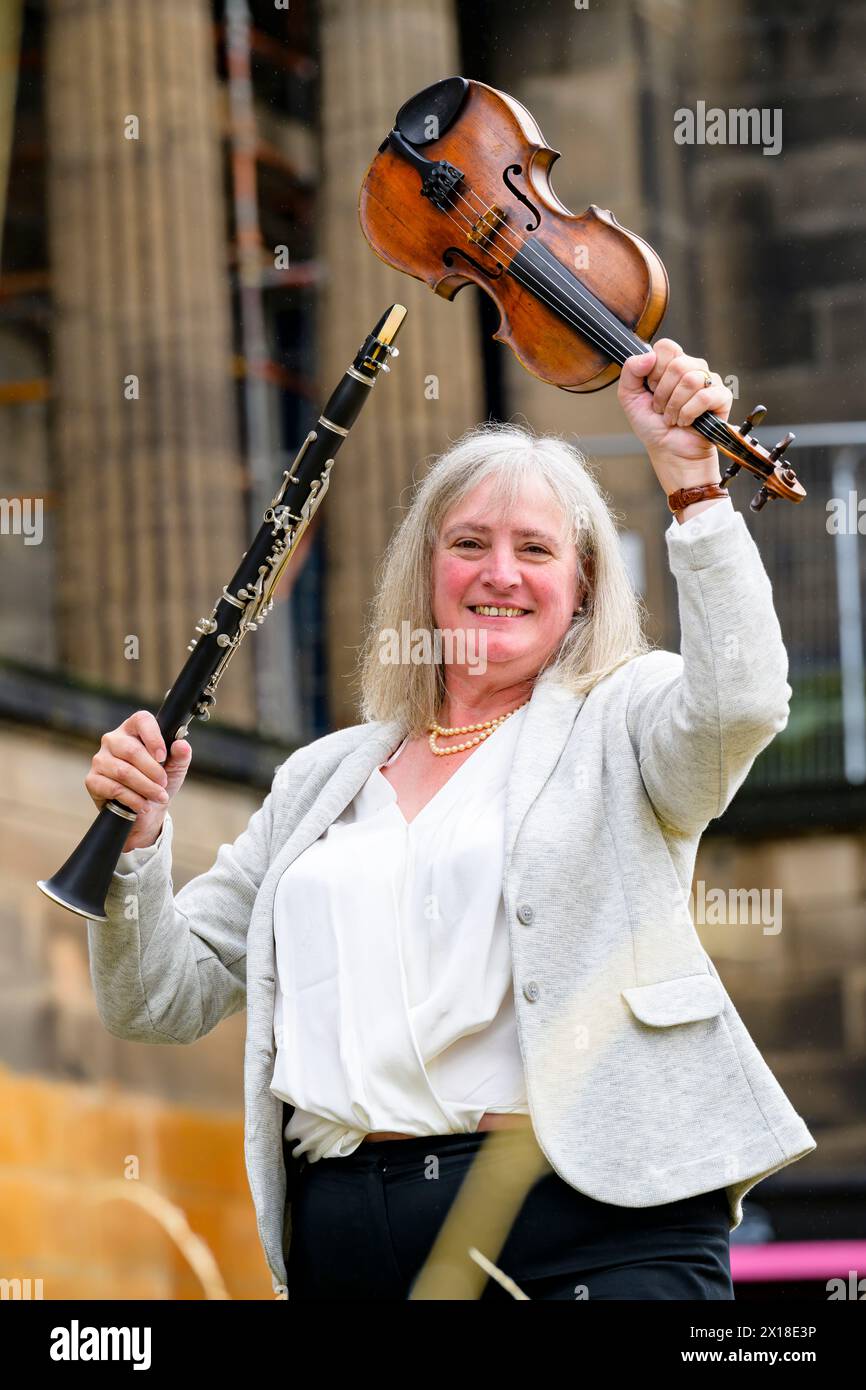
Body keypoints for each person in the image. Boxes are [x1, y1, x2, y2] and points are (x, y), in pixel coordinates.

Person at [84, 341, 816, 1300]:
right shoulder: (320, 779)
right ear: (423, 573)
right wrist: (136, 853)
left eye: (536, 549)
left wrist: (693, 487)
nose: (499, 573)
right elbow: (158, 1001)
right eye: (468, 543)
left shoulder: (623, 715)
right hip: (347, 1238)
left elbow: (741, 708)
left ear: (584, 586)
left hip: (590, 1225)